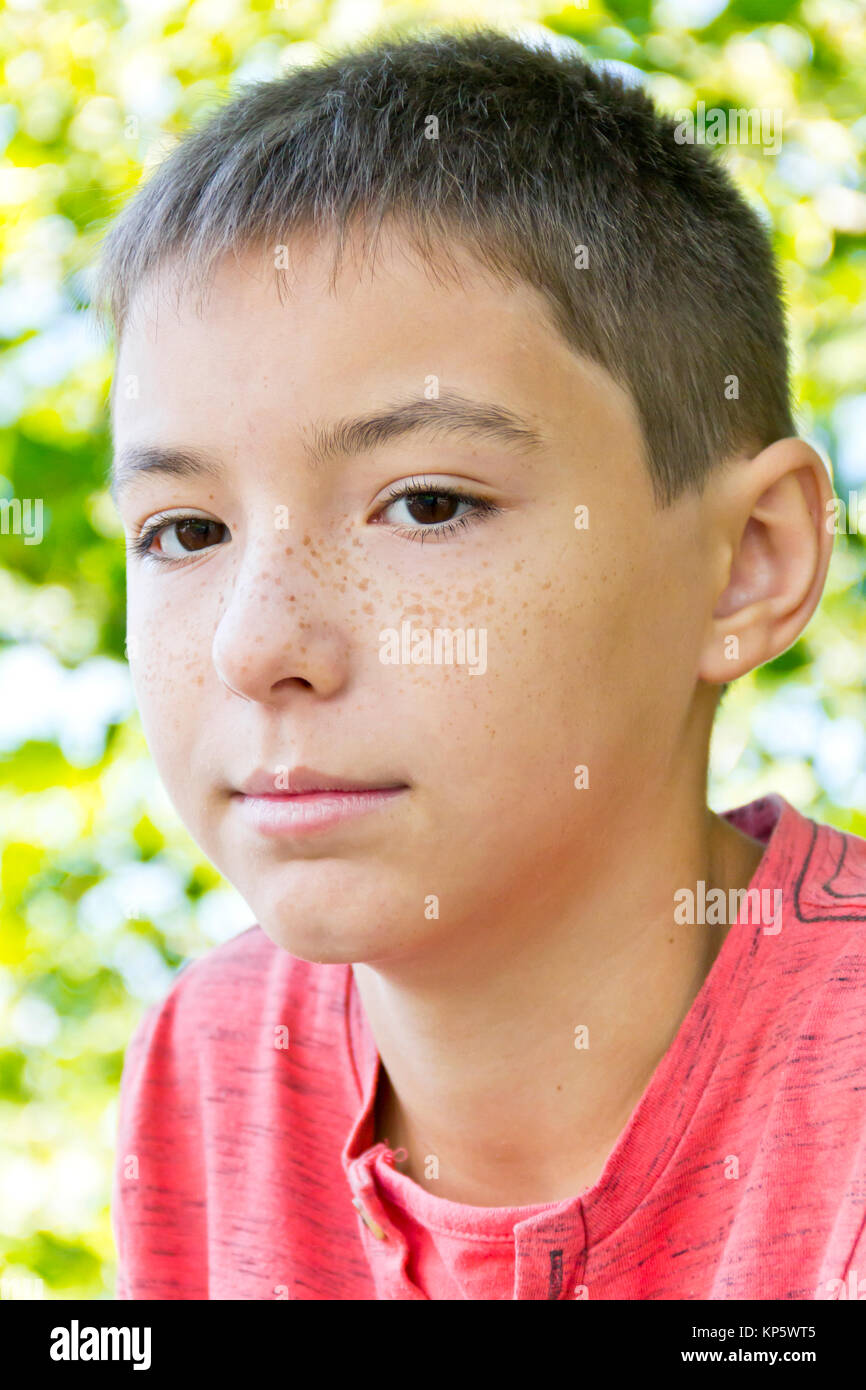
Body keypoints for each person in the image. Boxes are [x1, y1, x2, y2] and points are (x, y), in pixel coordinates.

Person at [95, 28, 865, 1300]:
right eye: (184, 531)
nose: (257, 643)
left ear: (745, 562)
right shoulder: (213, 1057)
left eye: (428, 505)